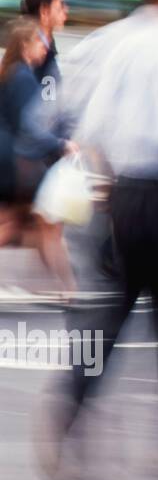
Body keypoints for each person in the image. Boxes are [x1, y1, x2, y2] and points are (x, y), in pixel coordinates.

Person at [35, 0, 158, 480]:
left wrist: (112, 189)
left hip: (123, 196)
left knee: (112, 315)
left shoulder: (120, 40)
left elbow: (89, 125)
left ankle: (67, 414)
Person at [0, 18, 79, 296]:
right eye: (39, 42)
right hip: (17, 162)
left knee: (29, 224)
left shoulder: (10, 72)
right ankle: (67, 288)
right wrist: (61, 144)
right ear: (25, 44)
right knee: (42, 225)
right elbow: (29, 126)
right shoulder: (22, 77)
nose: (44, 48)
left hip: (10, 159)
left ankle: (65, 287)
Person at [20, 0, 67, 88]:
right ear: (44, 11)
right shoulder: (34, 53)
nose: (66, 10)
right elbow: (46, 98)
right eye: (61, 4)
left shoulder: (46, 47)